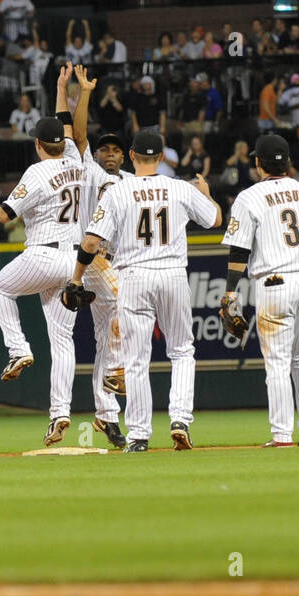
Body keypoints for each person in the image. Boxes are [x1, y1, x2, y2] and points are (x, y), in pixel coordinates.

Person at [0, 66, 89, 446]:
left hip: (43, 255)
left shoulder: (37, 172)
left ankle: (18, 349)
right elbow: (66, 123)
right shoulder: (76, 160)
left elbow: (4, 215)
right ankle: (60, 413)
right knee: (63, 341)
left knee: (0, 289)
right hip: (74, 263)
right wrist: (62, 88)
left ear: (39, 145)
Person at [66, 128, 221, 452]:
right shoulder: (179, 188)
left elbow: (91, 241)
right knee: (181, 350)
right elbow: (215, 219)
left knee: (135, 359)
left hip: (134, 276)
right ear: (161, 158)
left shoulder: (119, 192)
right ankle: (180, 420)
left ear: (132, 156)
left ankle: (138, 435)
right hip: (173, 274)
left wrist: (77, 278)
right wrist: (205, 193)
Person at [220, 134, 299, 446]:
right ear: (287, 162)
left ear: (258, 163)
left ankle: (282, 434)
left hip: (274, 284)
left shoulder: (249, 197)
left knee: (278, 362)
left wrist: (231, 292)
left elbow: (238, 252)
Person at [68, 70, 132, 447]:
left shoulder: (129, 182)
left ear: (124, 156)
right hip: (91, 260)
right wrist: (85, 93)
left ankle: (107, 417)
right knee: (122, 304)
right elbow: (78, 135)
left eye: (115, 150)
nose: (109, 154)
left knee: (108, 338)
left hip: (119, 259)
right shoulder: (90, 170)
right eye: (104, 149)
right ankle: (114, 378)